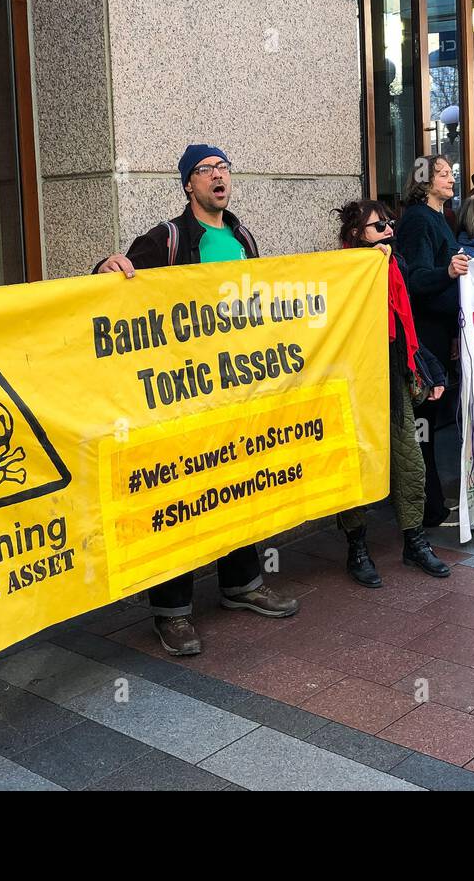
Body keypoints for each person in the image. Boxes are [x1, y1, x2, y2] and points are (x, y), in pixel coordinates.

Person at [94, 144, 300, 656]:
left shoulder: (243, 236)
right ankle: (172, 612)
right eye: (207, 170)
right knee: (180, 494)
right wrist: (106, 264)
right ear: (189, 184)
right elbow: (116, 279)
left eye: (224, 168)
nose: (218, 176)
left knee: (237, 481)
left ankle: (242, 584)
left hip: (236, 386)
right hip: (183, 391)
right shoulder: (169, 237)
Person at [332, 200, 451, 585]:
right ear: (356, 235)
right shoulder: (341, 273)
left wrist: (427, 370)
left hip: (393, 378)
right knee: (358, 468)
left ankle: (414, 542)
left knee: (409, 464)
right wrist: (367, 269)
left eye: (389, 223)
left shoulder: (393, 268)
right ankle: (357, 548)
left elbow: (405, 328)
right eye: (377, 225)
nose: (388, 230)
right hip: (354, 386)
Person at [395, 154, 470, 531]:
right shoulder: (419, 220)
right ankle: (428, 508)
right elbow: (415, 279)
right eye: (442, 174)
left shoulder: (439, 218)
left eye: (450, 173)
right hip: (423, 336)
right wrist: (446, 272)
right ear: (424, 181)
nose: (450, 179)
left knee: (430, 417)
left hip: (440, 332)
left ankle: (432, 503)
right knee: (423, 419)